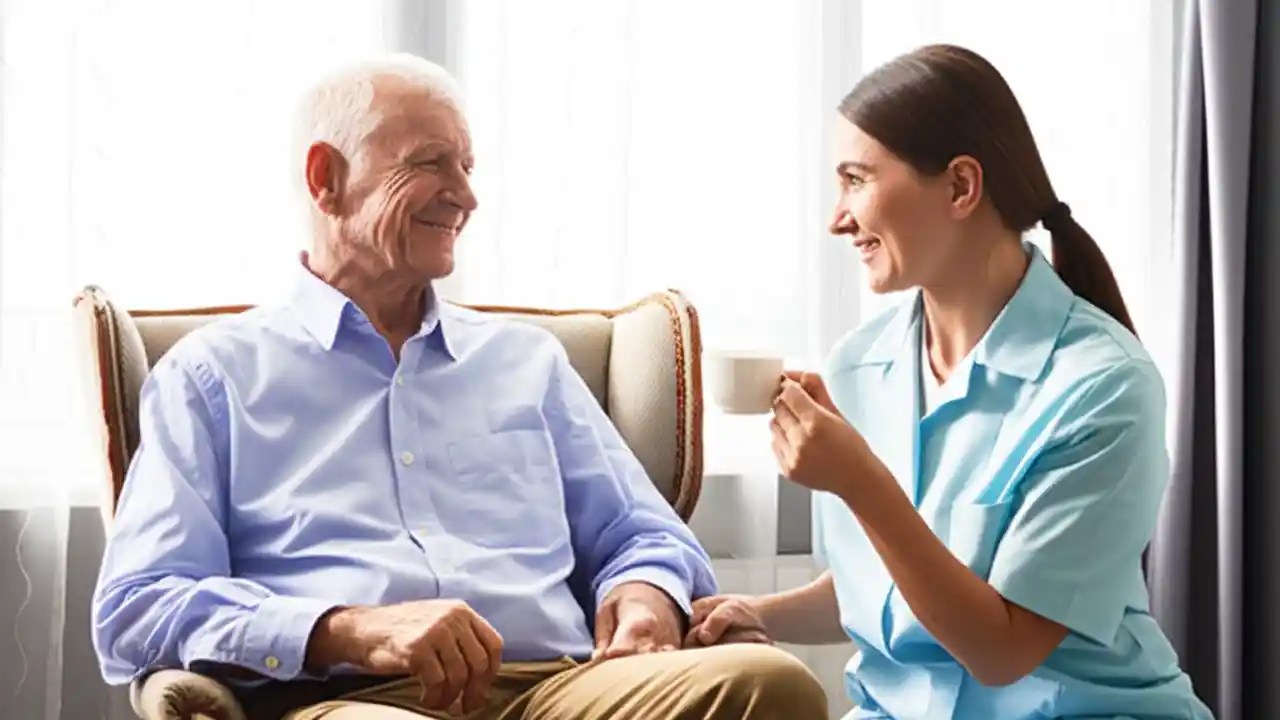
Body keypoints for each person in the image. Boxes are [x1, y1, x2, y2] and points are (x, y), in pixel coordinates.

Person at [91, 54, 826, 720]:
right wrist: (348, 629)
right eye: (431, 163)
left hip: (559, 687)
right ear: (325, 178)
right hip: (353, 698)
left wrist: (644, 597)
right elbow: (137, 606)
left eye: (468, 166)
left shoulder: (525, 362)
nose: (466, 196)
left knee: (770, 683)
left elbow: (641, 532)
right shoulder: (210, 376)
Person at [686, 44, 1213, 719]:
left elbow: (1002, 650)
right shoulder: (857, 366)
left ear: (961, 186)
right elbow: (889, 585)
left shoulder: (1105, 389)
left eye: (856, 180)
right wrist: (758, 613)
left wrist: (859, 479)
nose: (837, 218)